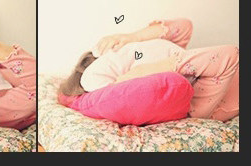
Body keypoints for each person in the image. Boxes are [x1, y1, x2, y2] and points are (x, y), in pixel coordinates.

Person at [58, 17, 239, 121]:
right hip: (213, 94)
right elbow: (231, 55)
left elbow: (184, 27)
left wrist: (131, 38)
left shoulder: (161, 55)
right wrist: (143, 71)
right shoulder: (196, 103)